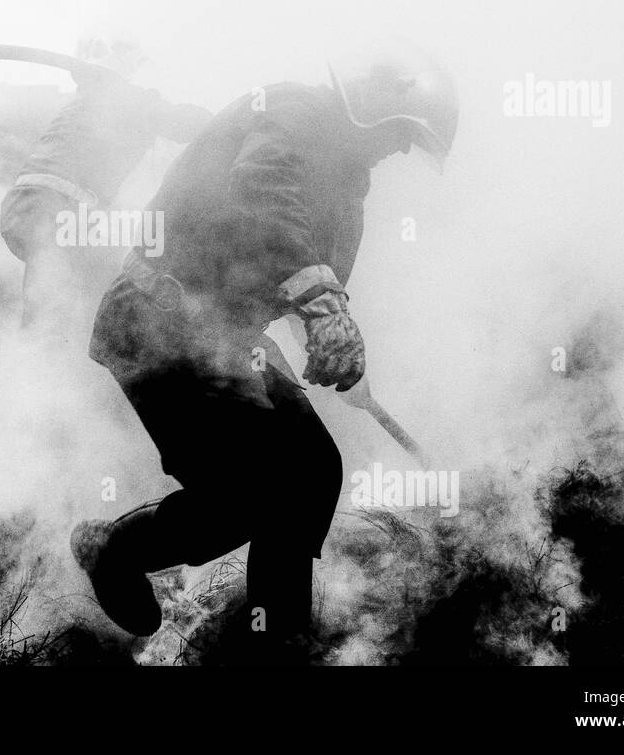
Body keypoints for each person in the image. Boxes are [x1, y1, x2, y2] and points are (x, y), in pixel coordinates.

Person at [72, 39, 458, 662]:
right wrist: (324, 306)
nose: (399, 150)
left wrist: (334, 345)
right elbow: (263, 195)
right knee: (265, 486)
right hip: (159, 314)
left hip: (228, 336)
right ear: (374, 102)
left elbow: (298, 269)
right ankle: (126, 558)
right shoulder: (294, 112)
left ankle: (277, 643)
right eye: (401, 132)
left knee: (311, 471)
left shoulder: (345, 186)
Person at [0, 31, 209, 334]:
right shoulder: (126, 98)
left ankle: (37, 348)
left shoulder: (81, 102)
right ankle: (43, 354)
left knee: (52, 293)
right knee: (62, 304)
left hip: (23, 208)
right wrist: (230, 120)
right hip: (58, 210)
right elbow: (185, 122)